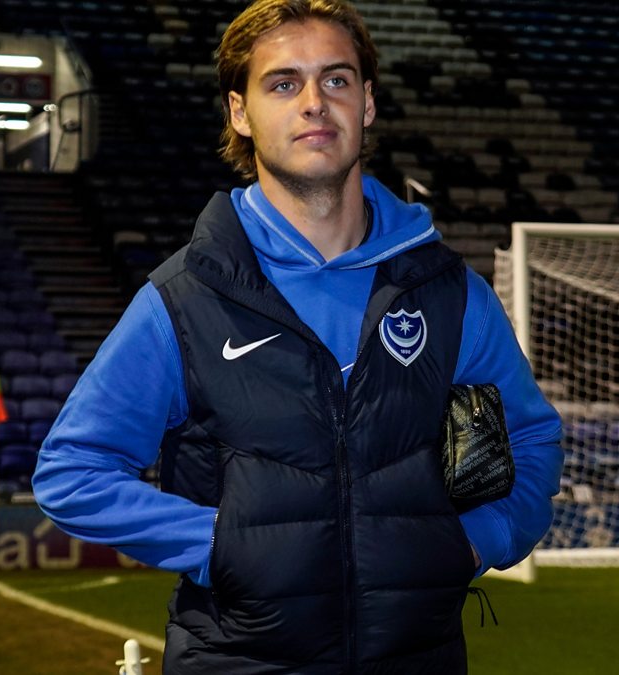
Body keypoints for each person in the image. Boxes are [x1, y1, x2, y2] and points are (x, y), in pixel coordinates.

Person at [32, 0, 564, 672]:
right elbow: (72, 474)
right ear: (240, 112)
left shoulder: (449, 292)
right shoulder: (185, 300)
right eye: (283, 83)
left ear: (367, 104)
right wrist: (219, 542)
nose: (315, 102)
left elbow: (534, 438)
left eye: (336, 80)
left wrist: (478, 539)